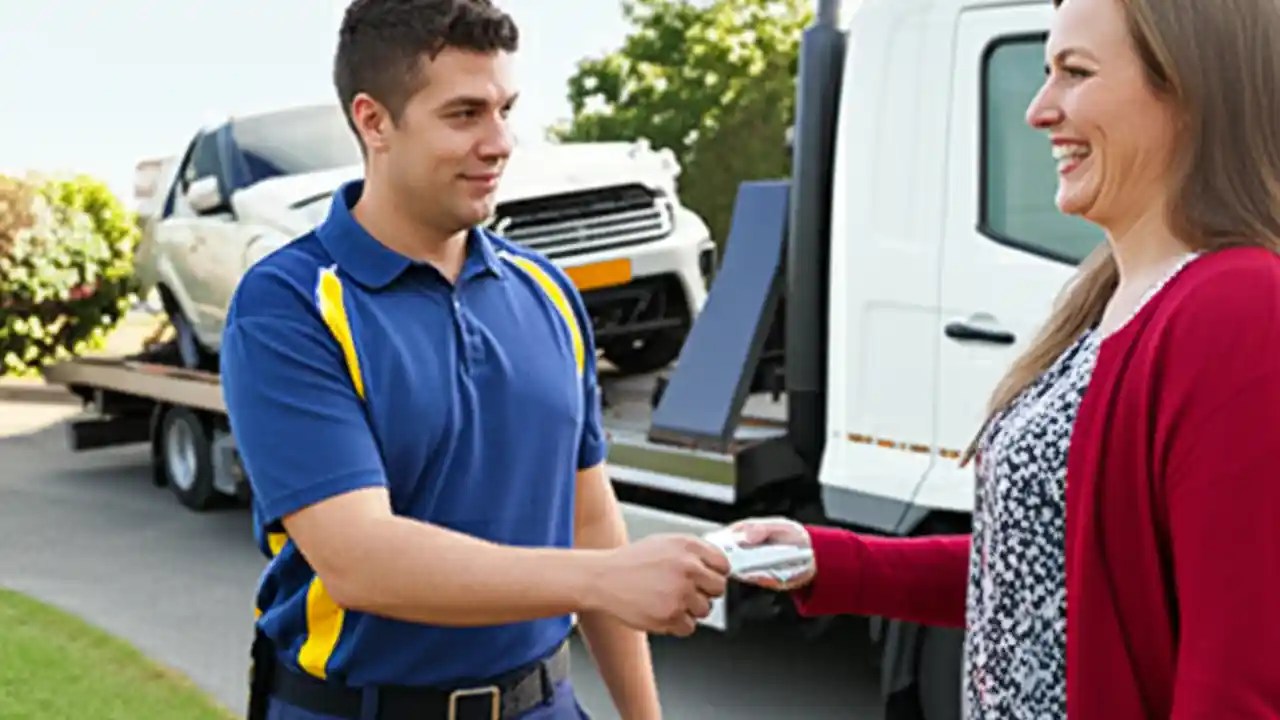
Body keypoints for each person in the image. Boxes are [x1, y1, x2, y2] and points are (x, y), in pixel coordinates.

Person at [730, 0, 1280, 718]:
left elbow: (1237, 684)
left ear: (1190, 90)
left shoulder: (1241, 308)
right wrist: (827, 560)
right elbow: (1033, 572)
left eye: (1074, 73)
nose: (1039, 110)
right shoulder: (1114, 296)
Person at [220, 1, 731, 719]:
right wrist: (600, 579)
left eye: (505, 109)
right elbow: (360, 559)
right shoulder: (288, 306)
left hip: (545, 704)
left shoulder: (547, 290)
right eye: (464, 114)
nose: (500, 142)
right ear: (374, 122)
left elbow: (590, 519)